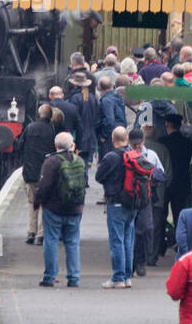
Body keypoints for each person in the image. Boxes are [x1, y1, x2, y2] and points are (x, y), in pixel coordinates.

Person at [34, 131, 86, 287]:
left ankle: (49, 277)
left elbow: (44, 186)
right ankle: (74, 278)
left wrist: (38, 202)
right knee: (72, 243)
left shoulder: (51, 162)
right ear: (72, 145)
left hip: (53, 209)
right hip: (75, 209)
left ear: (55, 145)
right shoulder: (80, 161)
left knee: (51, 241)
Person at [94, 126, 134, 288]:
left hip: (116, 202)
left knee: (117, 240)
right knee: (128, 240)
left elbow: (98, 176)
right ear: (127, 139)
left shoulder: (110, 157)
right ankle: (127, 276)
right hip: (133, 202)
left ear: (113, 140)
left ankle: (118, 277)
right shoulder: (134, 155)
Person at [128, 126, 166, 275]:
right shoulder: (126, 154)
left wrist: (152, 177)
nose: (137, 146)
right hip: (130, 198)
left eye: (139, 143)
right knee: (130, 231)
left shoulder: (151, 155)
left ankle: (140, 261)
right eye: (134, 143)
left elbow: (162, 174)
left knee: (145, 229)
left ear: (144, 140)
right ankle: (131, 263)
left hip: (145, 198)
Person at [20, 103, 57, 245]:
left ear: (39, 114)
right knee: (45, 203)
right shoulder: (53, 130)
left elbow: (20, 145)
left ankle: (31, 231)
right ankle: (41, 234)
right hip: (47, 172)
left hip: (30, 171)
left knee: (32, 202)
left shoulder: (30, 127)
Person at [162, 115, 192, 249]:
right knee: (179, 214)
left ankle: (160, 244)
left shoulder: (163, 142)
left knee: (161, 214)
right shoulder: (188, 143)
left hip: (166, 182)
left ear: (168, 125)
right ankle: (179, 243)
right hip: (182, 182)